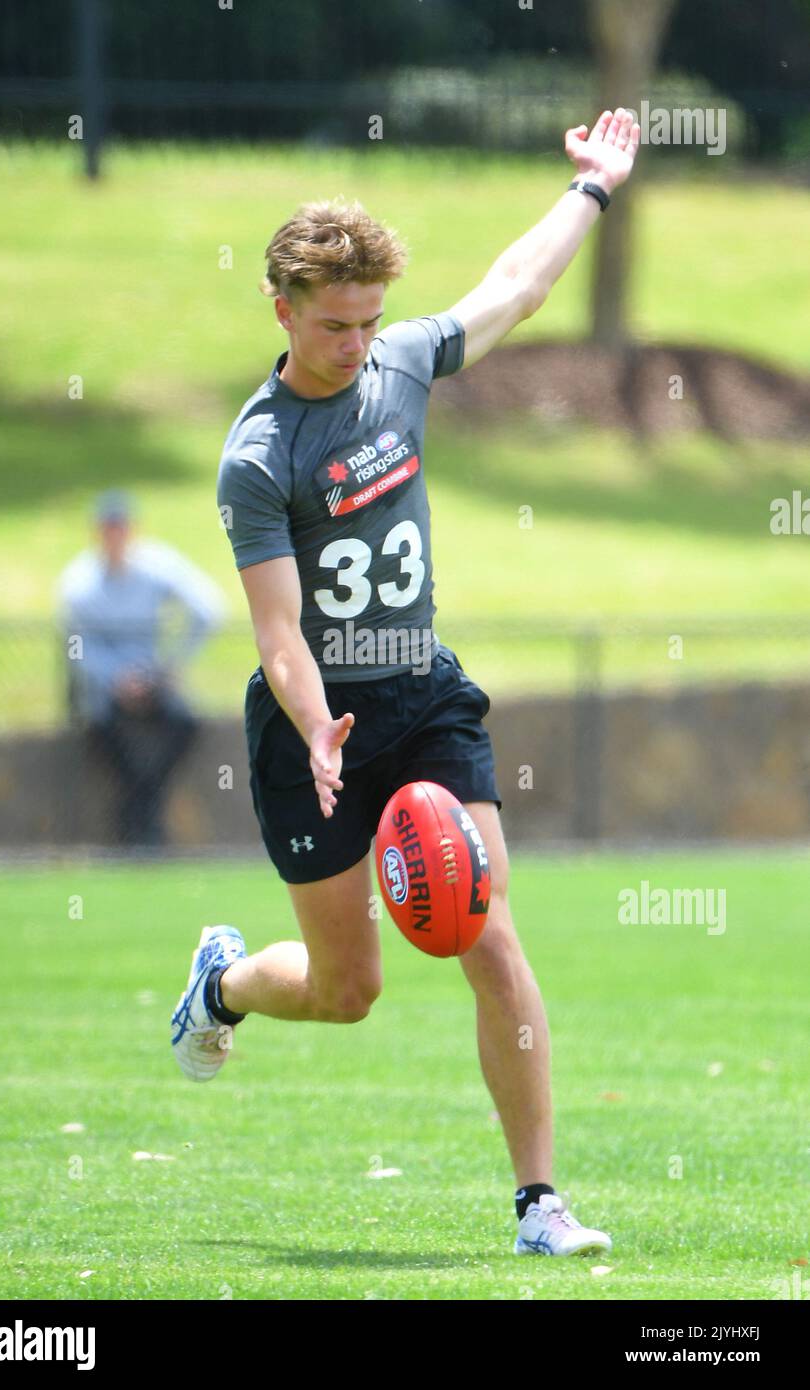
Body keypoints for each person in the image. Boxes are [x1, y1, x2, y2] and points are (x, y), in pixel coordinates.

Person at [171, 110, 641, 1255]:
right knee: (348, 990)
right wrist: (312, 726)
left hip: (422, 693)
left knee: (488, 933)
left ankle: (538, 1204)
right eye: (335, 325)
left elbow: (515, 287)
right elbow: (277, 629)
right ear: (281, 307)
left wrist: (591, 189)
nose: (356, 343)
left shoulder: (400, 359)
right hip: (313, 730)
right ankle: (223, 985)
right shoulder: (257, 456)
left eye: (371, 320)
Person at [58, 490, 226, 847]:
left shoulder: (157, 566)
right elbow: (77, 647)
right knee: (100, 728)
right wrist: (115, 679)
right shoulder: (79, 583)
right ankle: (137, 807)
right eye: (108, 528)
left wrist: (169, 665)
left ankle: (145, 800)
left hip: (154, 678)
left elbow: (208, 608)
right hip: (105, 688)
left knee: (184, 723)